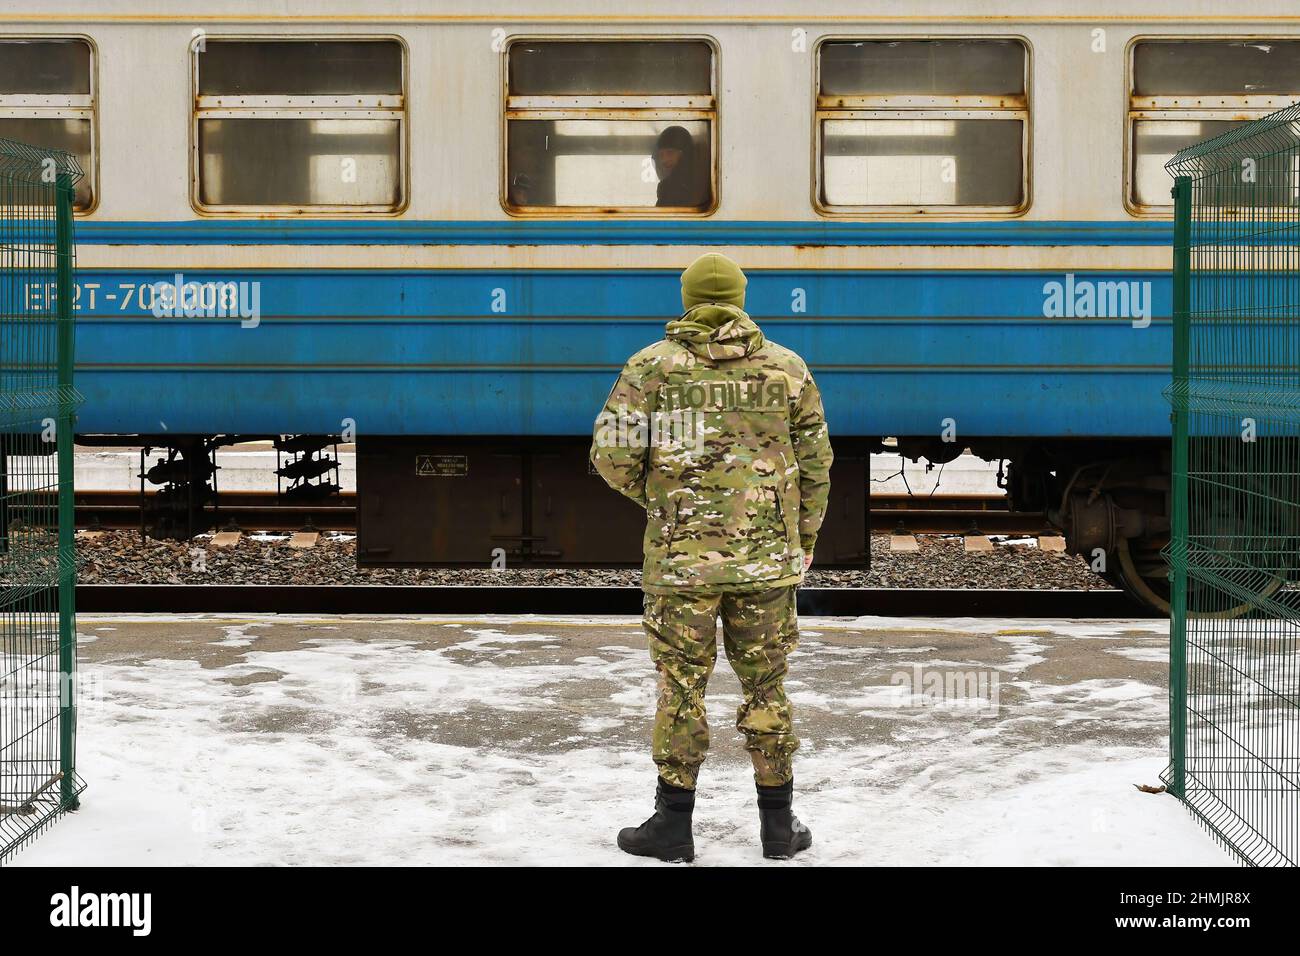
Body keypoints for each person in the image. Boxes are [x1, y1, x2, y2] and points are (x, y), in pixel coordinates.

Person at [589, 252, 833, 862]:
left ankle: (673, 826)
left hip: (679, 564)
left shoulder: (650, 367)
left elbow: (609, 456)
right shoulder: (787, 367)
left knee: (681, 686)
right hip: (767, 562)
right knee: (767, 686)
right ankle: (778, 826)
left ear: (687, 299)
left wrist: (663, 498)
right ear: (743, 300)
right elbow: (816, 464)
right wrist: (801, 539)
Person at [653, 125, 707, 208]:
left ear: (685, 154)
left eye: (670, 153)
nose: (664, 160)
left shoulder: (667, 187)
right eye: (661, 155)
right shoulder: (666, 186)